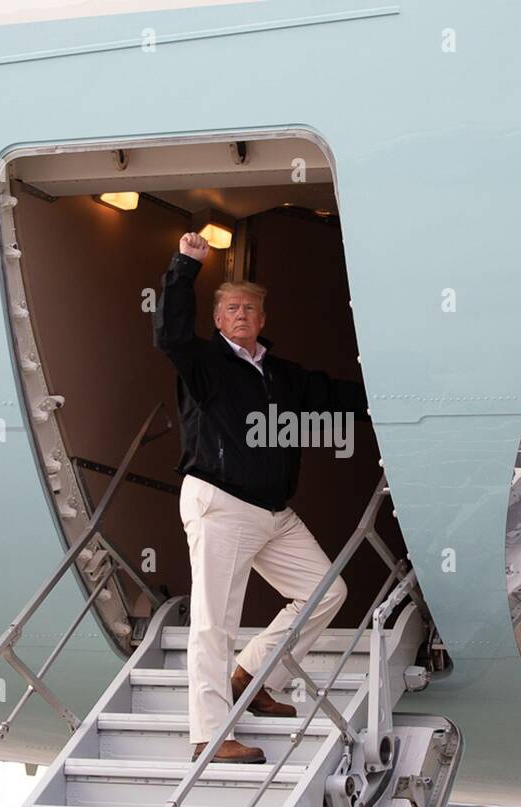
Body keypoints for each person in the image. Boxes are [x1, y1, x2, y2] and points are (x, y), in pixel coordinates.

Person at [153, 232, 370, 764]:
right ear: (220, 320)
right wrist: (185, 266)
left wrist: (402, 387)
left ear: (262, 318)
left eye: (250, 307)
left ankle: (251, 672)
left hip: (274, 512)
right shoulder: (204, 363)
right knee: (213, 622)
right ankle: (209, 735)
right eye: (231, 308)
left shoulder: (282, 374)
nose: (242, 314)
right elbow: (169, 335)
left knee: (327, 591)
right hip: (221, 502)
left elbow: (338, 396)